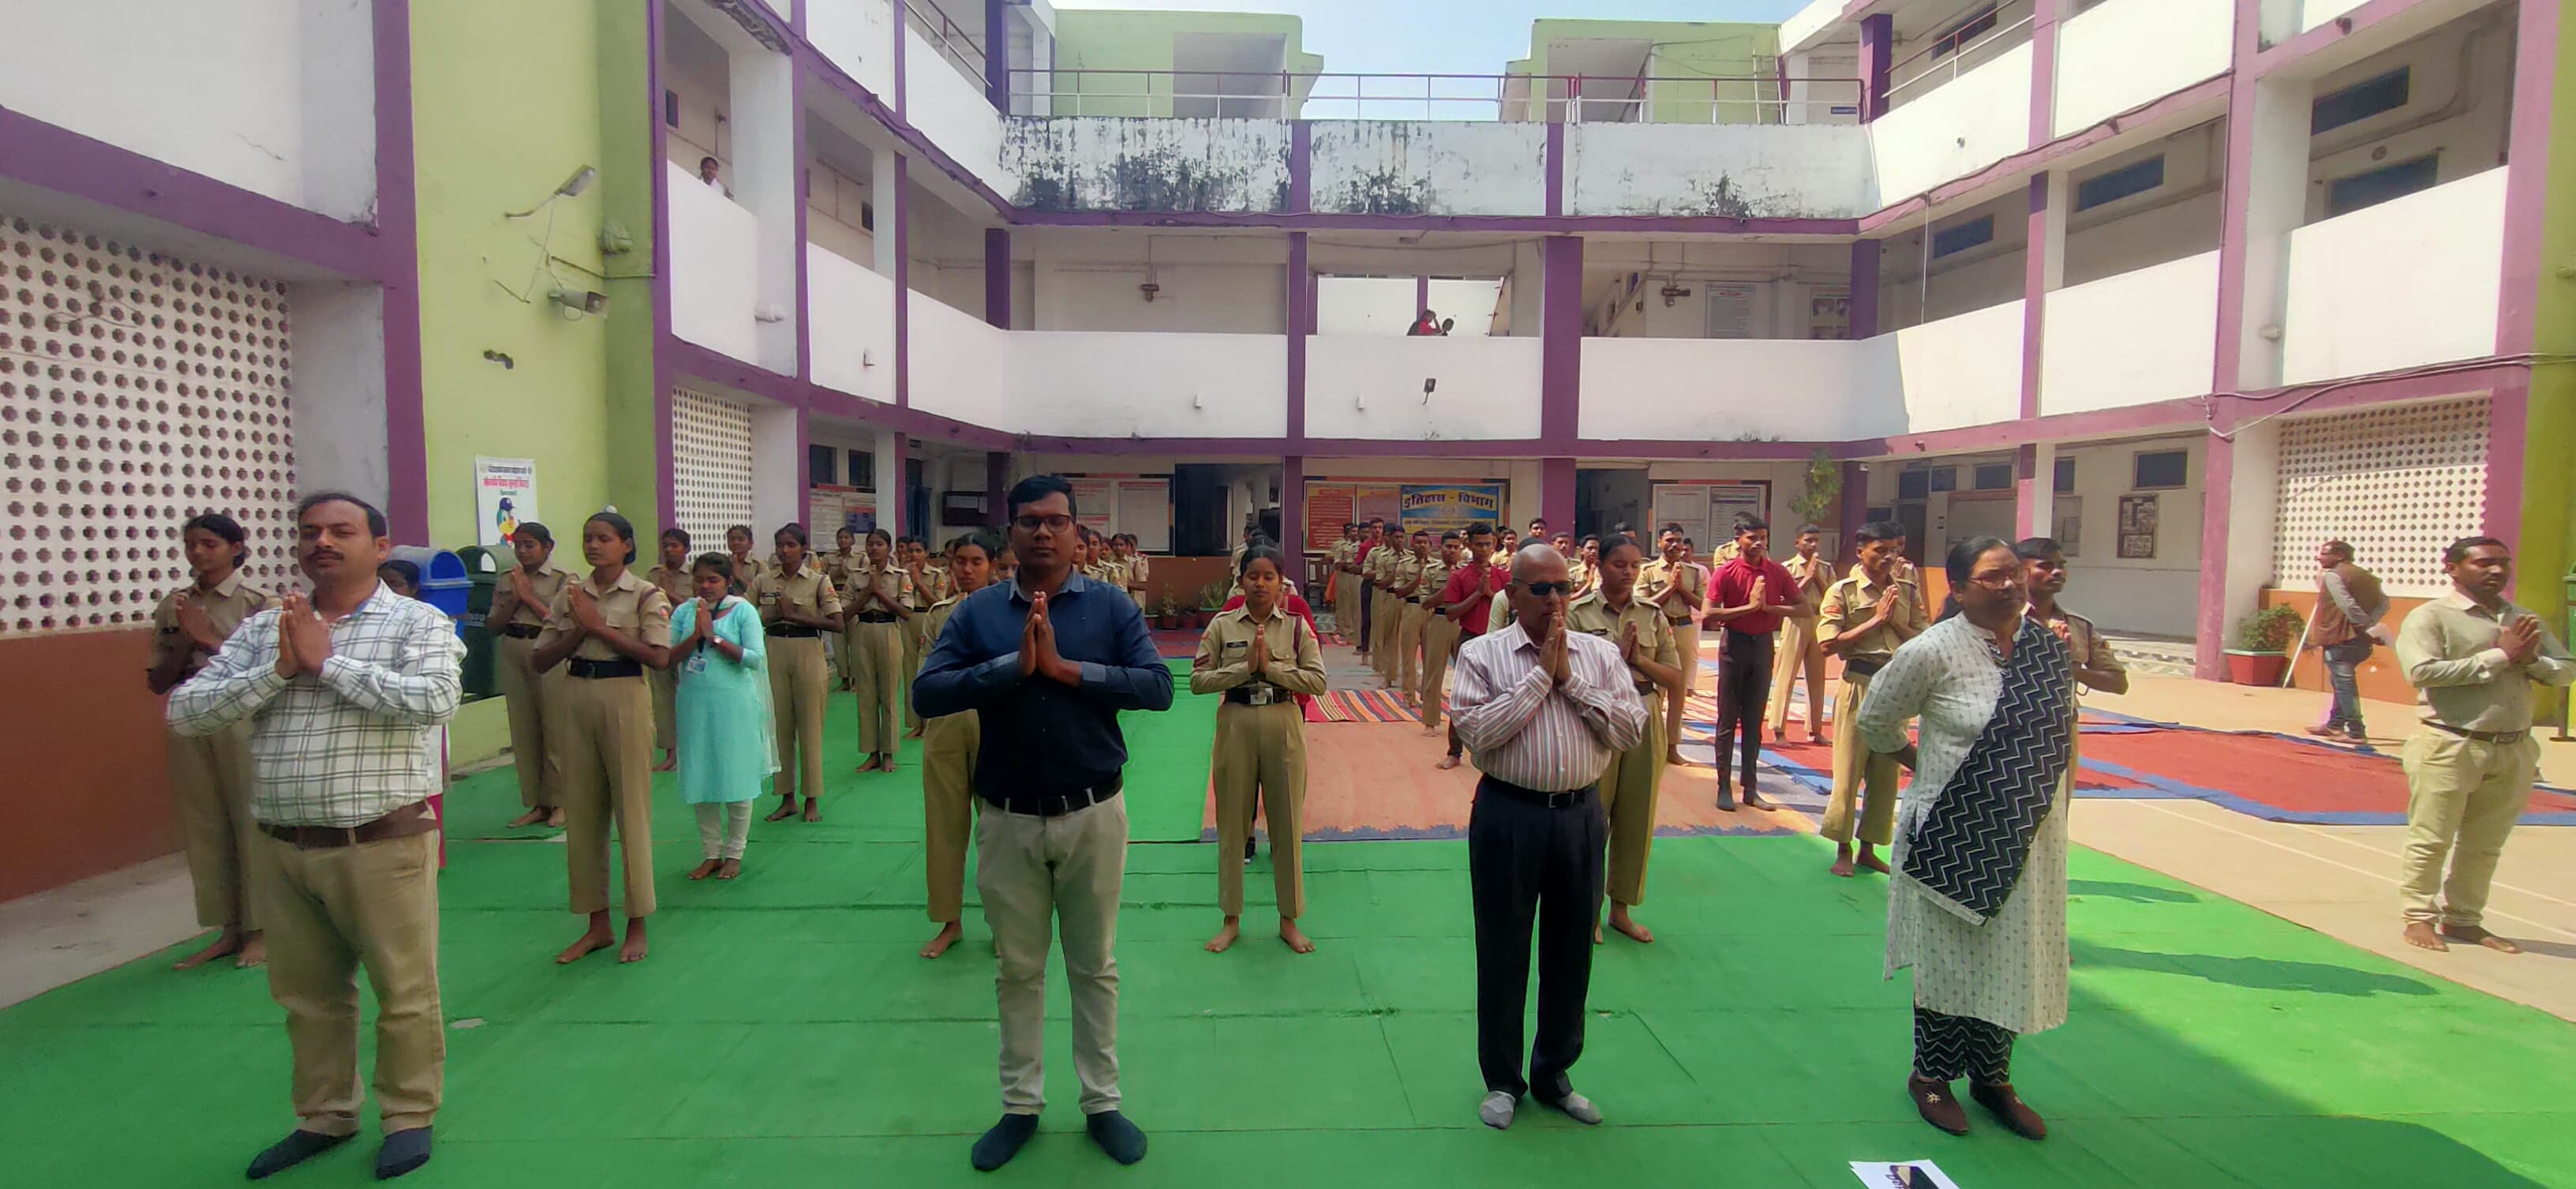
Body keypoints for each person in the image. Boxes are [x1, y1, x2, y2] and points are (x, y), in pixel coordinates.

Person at [168, 492, 461, 1181]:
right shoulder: (267, 629)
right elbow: (185, 712)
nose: (321, 542)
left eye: (341, 531)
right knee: (308, 996)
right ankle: (325, 1116)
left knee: (404, 990)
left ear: (380, 547)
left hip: (380, 842)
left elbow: (435, 700)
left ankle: (408, 1115)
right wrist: (279, 669)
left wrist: (330, 664)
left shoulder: (416, 622)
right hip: (283, 844)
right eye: (309, 533)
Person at [915, 475, 1172, 1171]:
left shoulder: (1110, 606)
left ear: (1076, 531)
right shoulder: (977, 615)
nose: (1042, 533)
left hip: (1092, 811)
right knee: (1018, 969)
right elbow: (928, 689)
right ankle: (1020, 1106)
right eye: (1029, 521)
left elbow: (1158, 687)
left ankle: (1103, 1103)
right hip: (1007, 818)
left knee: (1095, 967)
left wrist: (1066, 671)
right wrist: (1010, 667)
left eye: (1056, 521)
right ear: (1011, 532)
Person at [1856, 536, 2074, 1142]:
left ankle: (1993, 1078)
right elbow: (1876, 721)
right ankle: (1931, 1075)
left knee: (2012, 956)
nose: (2008, 585)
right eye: (1991, 577)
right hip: (1954, 830)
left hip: (2029, 832)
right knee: (1951, 960)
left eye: (2012, 574)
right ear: (1957, 589)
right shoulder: (1932, 650)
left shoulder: (2047, 650)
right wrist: (1923, 765)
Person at [1451, 543, 1646, 1131]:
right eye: (1541, 589)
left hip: (1580, 818)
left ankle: (1554, 1073)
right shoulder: (1483, 654)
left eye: (1564, 587)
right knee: (1504, 949)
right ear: (1513, 595)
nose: (1556, 600)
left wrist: (1573, 682)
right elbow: (1479, 731)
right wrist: (1542, 678)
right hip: (1509, 815)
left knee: (1570, 953)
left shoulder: (1599, 654)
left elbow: (1631, 728)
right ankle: (1504, 1081)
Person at [2393, 537, 2575, 955]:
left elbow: (2565, 671)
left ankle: (2465, 919)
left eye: (2503, 564)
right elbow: (2421, 672)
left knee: (2485, 843)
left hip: (2513, 747)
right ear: (2453, 568)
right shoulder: (2431, 617)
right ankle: (2418, 917)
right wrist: (2499, 656)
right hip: (2451, 743)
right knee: (2432, 837)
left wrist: (2531, 661)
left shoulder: (2524, 619)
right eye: (2485, 564)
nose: (2497, 571)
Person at [533, 512, 674, 966]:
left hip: (624, 698)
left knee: (630, 811)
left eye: (604, 539)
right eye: (588, 538)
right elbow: (540, 660)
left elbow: (658, 657)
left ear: (626, 546)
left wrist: (599, 628)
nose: (594, 546)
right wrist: (580, 627)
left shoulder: (646, 595)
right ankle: (597, 923)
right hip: (577, 696)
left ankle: (637, 921)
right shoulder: (570, 596)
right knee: (585, 812)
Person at [148, 512, 281, 970]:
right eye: (191, 545)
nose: (199, 553)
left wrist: (209, 639)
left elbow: (277, 670)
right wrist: (185, 643)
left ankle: (262, 927)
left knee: (250, 819)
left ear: (236, 548)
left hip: (243, 718)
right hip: (191, 716)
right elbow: (158, 679)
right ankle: (227, 928)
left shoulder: (260, 604)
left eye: (209, 544)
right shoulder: (175, 604)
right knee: (205, 824)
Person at [1193, 545, 1329, 955]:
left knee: (1286, 822)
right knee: (1233, 821)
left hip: (1282, 721)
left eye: (1269, 576)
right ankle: (1231, 919)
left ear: (1281, 582)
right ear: (1241, 580)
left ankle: (1289, 920)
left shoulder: (1296, 627)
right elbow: (1198, 680)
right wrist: (1244, 668)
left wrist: (1270, 668)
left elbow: (1318, 682)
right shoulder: (1222, 625)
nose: (1260, 583)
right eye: (1253, 575)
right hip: (1236, 721)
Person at [1565, 535, 1680, 946]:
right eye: (1619, 564)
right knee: (1593, 818)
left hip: (1646, 714)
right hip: (1597, 718)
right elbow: (1568, 673)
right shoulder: (1577, 613)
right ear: (1600, 566)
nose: (1628, 572)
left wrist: (1638, 660)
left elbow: (1673, 676)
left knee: (1637, 817)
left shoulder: (1652, 615)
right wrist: (1614, 656)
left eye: (1634, 565)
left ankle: (1621, 910)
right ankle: (1588, 910)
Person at [1818, 520, 1926, 877]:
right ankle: (1843, 848)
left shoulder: (1907, 590)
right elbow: (1828, 644)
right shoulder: (1843, 591)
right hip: (1859, 684)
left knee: (1885, 775)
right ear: (1860, 551)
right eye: (1880, 550)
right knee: (1849, 769)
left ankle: (1869, 848)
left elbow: (1925, 641)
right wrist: (1875, 620)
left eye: (1893, 549)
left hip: (1895, 687)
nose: (1888, 557)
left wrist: (1895, 623)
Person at [919, 531, 999, 959]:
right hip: (947, 725)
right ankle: (950, 921)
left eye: (976, 562)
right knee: (946, 829)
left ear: (991, 566)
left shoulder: (1007, 611)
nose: (966, 570)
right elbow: (927, 678)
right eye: (959, 562)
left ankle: (1003, 924)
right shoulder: (938, 615)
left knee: (999, 830)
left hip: (996, 725)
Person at [670, 553, 770, 881]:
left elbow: (754, 658)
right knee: (701, 774)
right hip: (694, 703)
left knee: (735, 773)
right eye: (699, 579)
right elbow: (668, 656)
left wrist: (714, 637)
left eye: (713, 580)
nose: (705, 586)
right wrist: (695, 636)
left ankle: (735, 852)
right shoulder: (684, 612)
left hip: (734, 704)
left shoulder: (744, 611)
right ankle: (711, 852)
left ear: (728, 581)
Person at [1704, 514, 1800, 811]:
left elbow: (1805, 609)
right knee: (1727, 720)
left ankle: (1750, 787)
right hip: (1734, 645)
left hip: (1763, 646)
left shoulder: (1777, 571)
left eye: (1763, 537)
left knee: (1754, 720)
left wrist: (1769, 607)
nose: (1758, 543)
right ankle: (1723, 786)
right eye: (1752, 538)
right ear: (1738, 540)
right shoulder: (1727, 572)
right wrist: (1747, 608)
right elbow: (1708, 614)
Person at [757, 524, 843, 824]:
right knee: (780, 728)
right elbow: (744, 614)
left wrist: (794, 615)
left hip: (807, 650)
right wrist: (771, 615)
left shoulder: (819, 582)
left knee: (810, 728)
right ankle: (786, 798)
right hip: (774, 650)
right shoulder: (763, 580)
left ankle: (812, 798)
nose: (784, 550)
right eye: (780, 544)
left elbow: (837, 623)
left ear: (803, 549)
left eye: (791, 545)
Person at [488, 523, 570, 829]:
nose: (522, 551)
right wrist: (514, 598)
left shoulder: (563, 579)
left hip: (546, 649)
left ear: (547, 547)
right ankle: (538, 802)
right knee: (524, 728)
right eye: (518, 545)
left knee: (555, 728)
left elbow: (562, 621)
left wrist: (529, 597)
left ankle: (561, 801)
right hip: (513, 648)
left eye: (529, 545)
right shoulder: (508, 579)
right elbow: (492, 624)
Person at [1432, 523, 1507, 767]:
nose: (1484, 549)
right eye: (1479, 544)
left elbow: (1513, 607)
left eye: (1488, 544)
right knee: (1463, 695)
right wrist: (1477, 593)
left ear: (1494, 545)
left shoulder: (1504, 576)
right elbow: (1451, 613)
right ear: (1470, 545)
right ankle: (1454, 752)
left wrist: (1489, 594)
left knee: (1501, 695)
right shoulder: (1459, 576)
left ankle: (1496, 750)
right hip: (1470, 638)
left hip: (1498, 642)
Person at [2018, 538, 2128, 697]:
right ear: (2020, 572)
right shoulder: (2002, 620)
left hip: (2065, 720)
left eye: (2061, 566)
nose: (2057, 572)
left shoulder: (2078, 626)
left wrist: (2066, 668)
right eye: (2045, 566)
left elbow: (2118, 683)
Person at [845, 528, 914, 774]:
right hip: (863, 630)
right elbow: (844, 612)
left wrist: (879, 592)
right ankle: (871, 753)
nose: (874, 548)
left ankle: (889, 753)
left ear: (889, 548)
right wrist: (867, 592)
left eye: (879, 544)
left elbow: (906, 612)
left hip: (888, 630)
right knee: (866, 695)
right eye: (870, 544)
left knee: (888, 695)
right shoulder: (856, 577)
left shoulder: (900, 576)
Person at [1638, 527, 1708, 767]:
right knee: (1656, 690)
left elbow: (1703, 604)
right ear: (1659, 542)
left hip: (1684, 628)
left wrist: (1682, 589)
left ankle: (1672, 746)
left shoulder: (1694, 573)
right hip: (1658, 629)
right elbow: (1643, 603)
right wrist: (1670, 588)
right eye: (1669, 540)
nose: (1675, 545)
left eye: (1679, 541)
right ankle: (1652, 743)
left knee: (1679, 689)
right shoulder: (1647, 571)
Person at [2312, 540, 2394, 741]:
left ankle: (2356, 731)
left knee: (2345, 684)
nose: (2319, 557)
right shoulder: (2369, 577)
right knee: (2341, 682)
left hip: (2340, 638)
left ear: (2340, 556)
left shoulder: (2334, 576)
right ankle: (2334, 724)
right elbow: (2385, 604)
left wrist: (2364, 625)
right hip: (2360, 641)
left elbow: (2346, 604)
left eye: (2324, 554)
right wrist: (2371, 625)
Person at [1766, 524, 1831, 744]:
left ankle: (1815, 729)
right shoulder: (1786, 568)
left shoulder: (1826, 568)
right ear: (1798, 543)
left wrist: (1818, 576)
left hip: (1818, 618)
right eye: (1808, 540)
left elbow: (1832, 596)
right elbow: (1784, 599)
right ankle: (1779, 729)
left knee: (1817, 676)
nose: (1812, 545)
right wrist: (1807, 578)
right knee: (1787, 674)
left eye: (1816, 540)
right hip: (1795, 620)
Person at [645, 527, 694, 772]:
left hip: (689, 642)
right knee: (663, 699)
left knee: (693, 694)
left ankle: (694, 748)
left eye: (674, 545)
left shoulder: (696, 573)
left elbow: (698, 607)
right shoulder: (653, 574)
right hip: (661, 640)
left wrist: (669, 592)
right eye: (665, 545)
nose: (668, 550)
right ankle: (671, 752)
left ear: (686, 549)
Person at [1417, 531, 1467, 734]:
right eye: (1449, 547)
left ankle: (1465, 720)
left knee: (1468, 673)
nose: (1452, 551)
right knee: (1434, 671)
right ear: (1441, 548)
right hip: (1439, 620)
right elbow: (1425, 603)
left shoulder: (1467, 571)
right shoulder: (1430, 571)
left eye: (1456, 547)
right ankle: (1430, 721)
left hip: (1463, 621)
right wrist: (1449, 587)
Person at [903, 536, 949, 738]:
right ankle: (915, 723)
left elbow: (938, 603)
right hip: (907, 619)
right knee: (909, 670)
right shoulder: (901, 575)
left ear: (926, 553)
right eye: (911, 551)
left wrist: (919, 583)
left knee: (926, 668)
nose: (914, 555)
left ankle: (930, 719)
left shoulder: (937, 575)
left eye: (918, 551)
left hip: (928, 618)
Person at [824, 526, 862, 692]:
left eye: (846, 537)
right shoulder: (828, 558)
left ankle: (856, 679)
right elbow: (821, 579)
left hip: (853, 600)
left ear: (853, 540)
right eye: (840, 537)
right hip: (834, 596)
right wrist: (836, 572)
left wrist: (846, 573)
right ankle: (844, 679)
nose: (843, 541)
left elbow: (862, 579)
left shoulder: (861, 558)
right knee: (839, 641)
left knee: (856, 641)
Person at [723, 523, 768, 597]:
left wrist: (739, 576)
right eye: (732, 539)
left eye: (741, 539)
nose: (736, 543)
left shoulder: (758, 564)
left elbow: (764, 593)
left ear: (750, 543)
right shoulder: (723, 563)